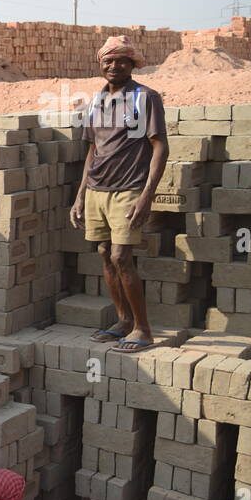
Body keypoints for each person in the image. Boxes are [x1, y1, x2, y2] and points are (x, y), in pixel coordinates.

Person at [69, 35, 168, 354]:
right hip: (97, 189)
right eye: (108, 61)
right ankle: (123, 321)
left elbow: (160, 146)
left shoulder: (145, 97)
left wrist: (147, 196)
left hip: (129, 189)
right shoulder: (95, 102)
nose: (114, 66)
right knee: (102, 253)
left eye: (121, 61)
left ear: (132, 63)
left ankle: (143, 329)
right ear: (101, 64)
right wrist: (80, 195)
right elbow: (92, 151)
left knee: (120, 256)